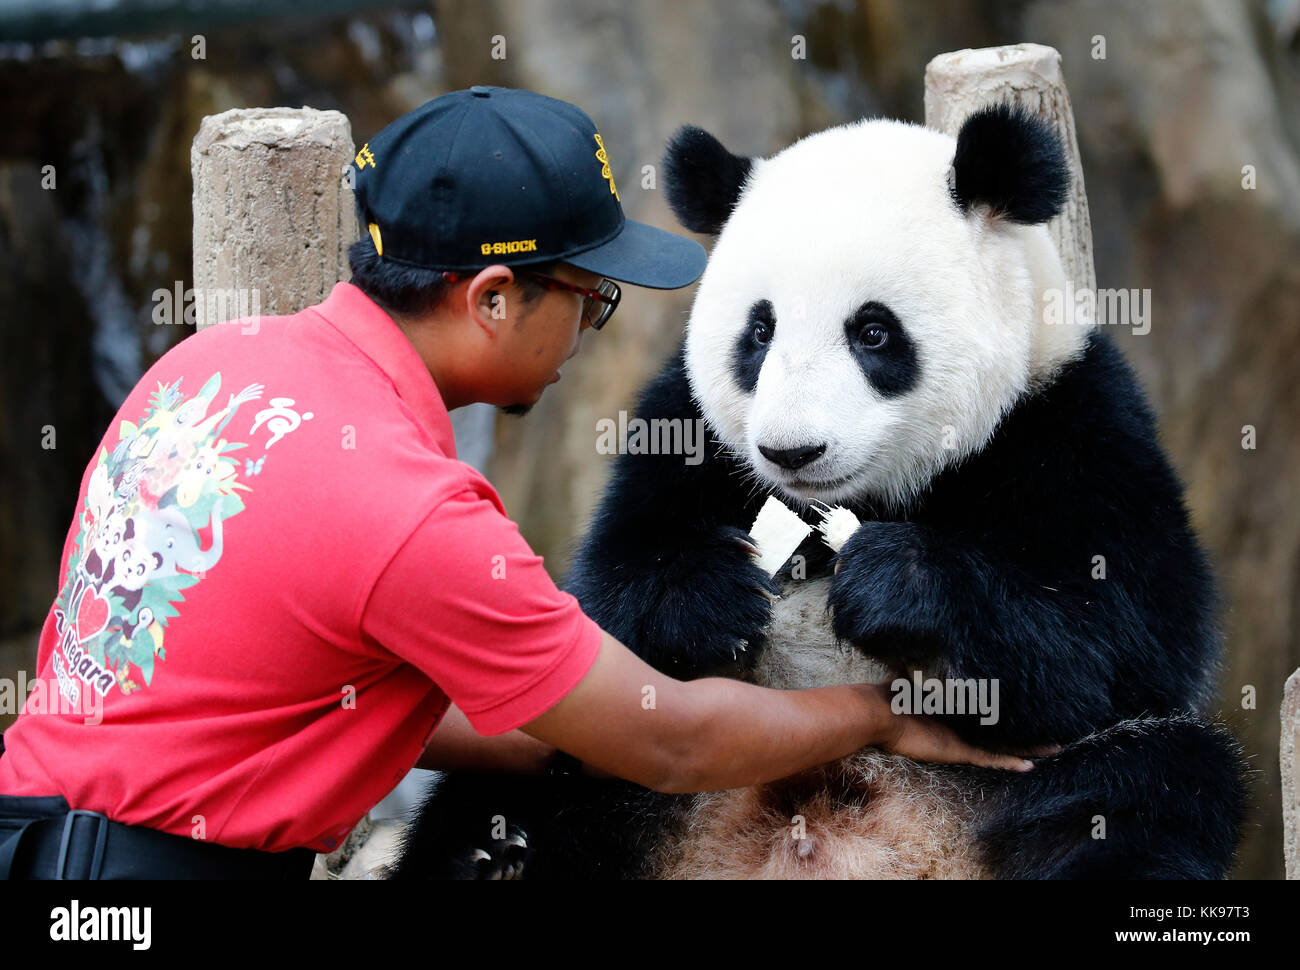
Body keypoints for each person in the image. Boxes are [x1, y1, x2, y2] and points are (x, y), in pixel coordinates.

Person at [0, 86, 1036, 880]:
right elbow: (670, 738)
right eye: (592, 302)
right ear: (494, 298)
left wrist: (570, 738)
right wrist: (875, 715)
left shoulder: (208, 366)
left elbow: (287, 688)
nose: (589, 339)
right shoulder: (412, 514)